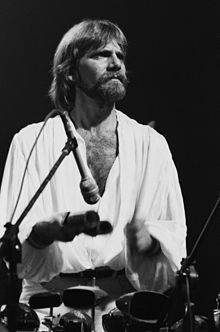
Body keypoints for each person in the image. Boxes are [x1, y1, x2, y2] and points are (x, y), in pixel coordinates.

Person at [0, 19, 187, 331]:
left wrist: (149, 245)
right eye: (101, 54)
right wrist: (48, 232)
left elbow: (171, 253)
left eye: (121, 56)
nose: (115, 62)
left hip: (124, 308)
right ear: (71, 72)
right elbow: (15, 253)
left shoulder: (151, 145)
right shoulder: (31, 142)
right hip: (49, 303)